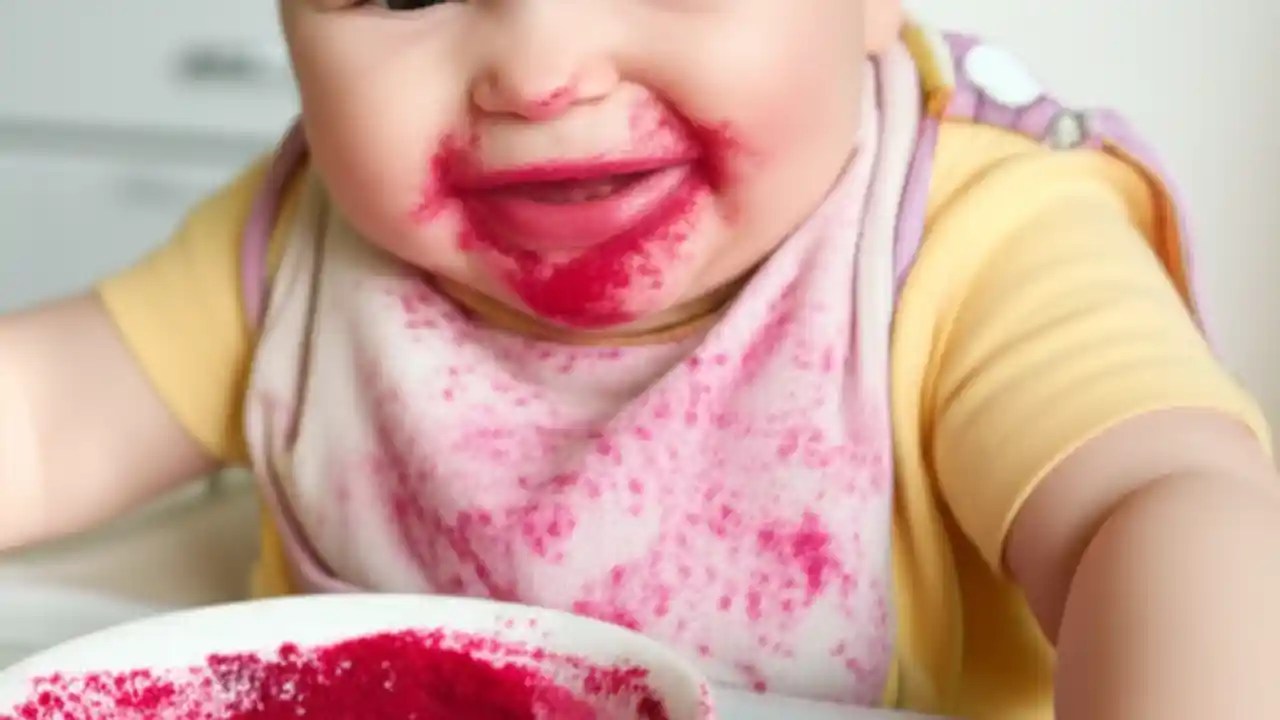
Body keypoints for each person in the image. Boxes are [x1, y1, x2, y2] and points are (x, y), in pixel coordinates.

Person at [1, 1, 1276, 717]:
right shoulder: (301, 256)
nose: (540, 70)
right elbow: (44, 426)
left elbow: (1163, 513)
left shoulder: (964, 245)